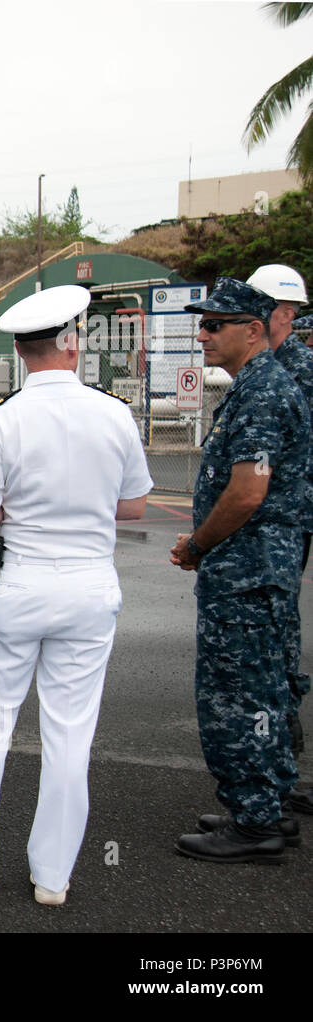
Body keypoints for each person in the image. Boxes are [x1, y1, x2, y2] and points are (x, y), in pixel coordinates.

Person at [0, 285, 153, 905]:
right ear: (74, 343)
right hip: (89, 587)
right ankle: (52, 877)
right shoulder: (115, 414)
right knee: (71, 734)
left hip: (18, 586)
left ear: (22, 351)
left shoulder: (2, 419)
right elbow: (133, 505)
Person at [170, 278, 311, 862]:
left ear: (253, 330)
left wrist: (198, 545)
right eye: (202, 324)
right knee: (264, 688)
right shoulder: (260, 384)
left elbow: (248, 492)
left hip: (247, 569)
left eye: (214, 325)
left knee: (240, 692)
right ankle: (267, 805)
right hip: (259, 567)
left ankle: (255, 824)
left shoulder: (263, 392)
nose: (202, 335)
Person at [245, 264, 313, 814]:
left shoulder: (298, 370)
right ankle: (279, 772)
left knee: (276, 639)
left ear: (284, 313)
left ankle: (278, 781)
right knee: (275, 636)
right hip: (274, 525)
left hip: (284, 524)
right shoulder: (264, 368)